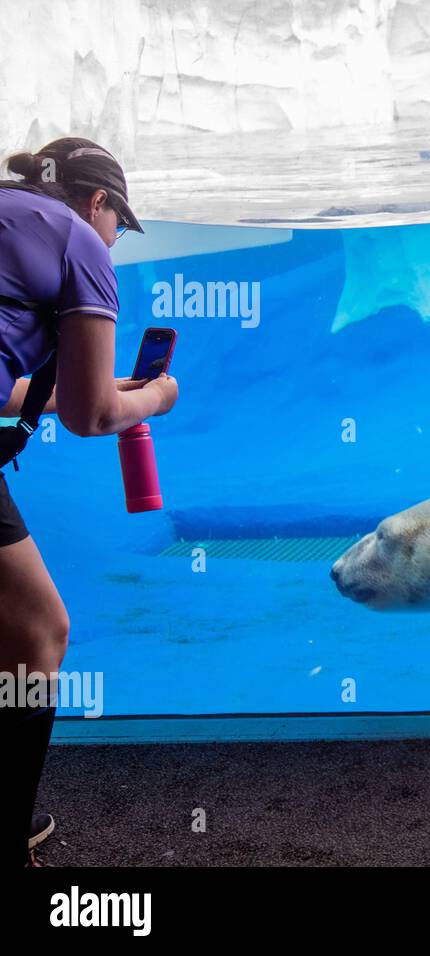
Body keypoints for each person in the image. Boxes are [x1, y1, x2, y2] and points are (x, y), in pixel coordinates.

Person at [0, 137, 179, 867]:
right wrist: (157, 399)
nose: (115, 242)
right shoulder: (79, 243)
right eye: (119, 224)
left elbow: (19, 390)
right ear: (96, 202)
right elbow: (88, 416)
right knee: (38, 634)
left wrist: (99, 396)